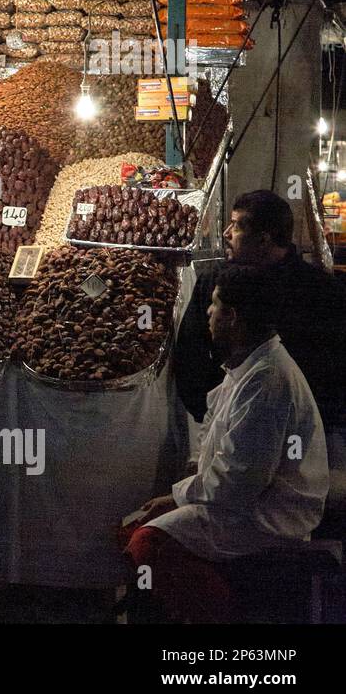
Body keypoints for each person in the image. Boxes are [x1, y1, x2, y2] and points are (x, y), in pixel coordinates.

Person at [123, 263, 329, 622]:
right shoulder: (250, 365)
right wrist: (180, 493)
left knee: (148, 541)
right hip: (243, 502)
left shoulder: (266, 380)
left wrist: (178, 496)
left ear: (232, 317)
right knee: (132, 527)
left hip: (268, 516)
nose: (208, 312)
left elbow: (238, 483)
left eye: (214, 304)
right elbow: (220, 450)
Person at [175, 189, 346, 425]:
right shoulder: (213, 282)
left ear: (264, 239)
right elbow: (190, 353)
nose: (226, 233)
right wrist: (211, 414)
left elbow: (334, 371)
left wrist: (308, 422)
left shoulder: (320, 292)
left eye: (236, 226)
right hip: (224, 422)